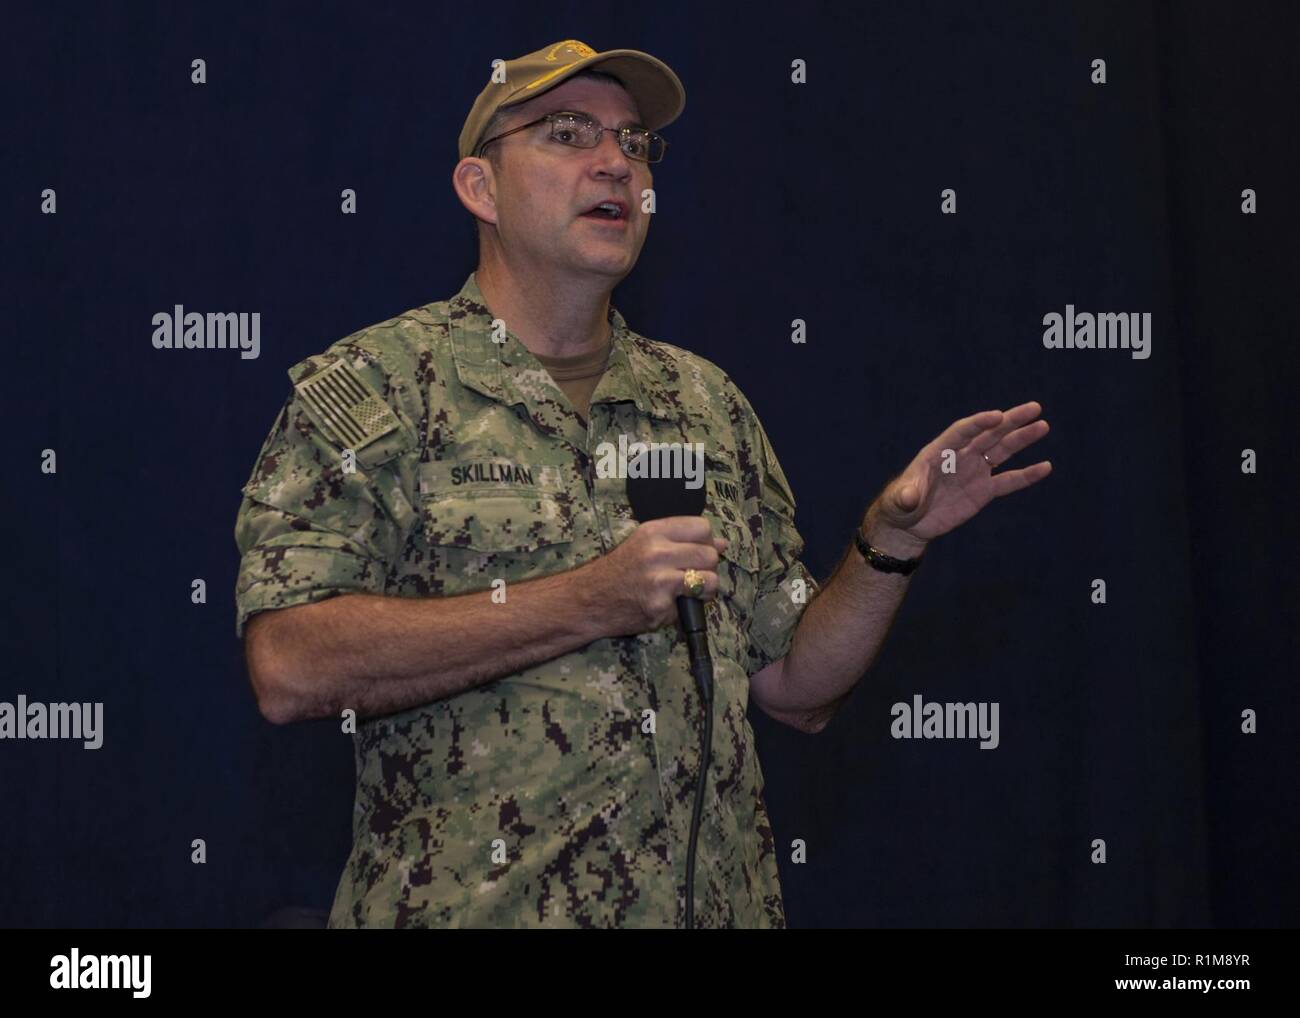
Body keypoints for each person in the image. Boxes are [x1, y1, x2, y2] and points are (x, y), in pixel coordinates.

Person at [233, 39, 1052, 929]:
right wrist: (591, 600)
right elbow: (289, 664)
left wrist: (890, 542)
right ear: (480, 187)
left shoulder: (702, 403)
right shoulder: (378, 389)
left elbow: (795, 687)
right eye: (567, 133)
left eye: (634, 142)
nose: (615, 162)